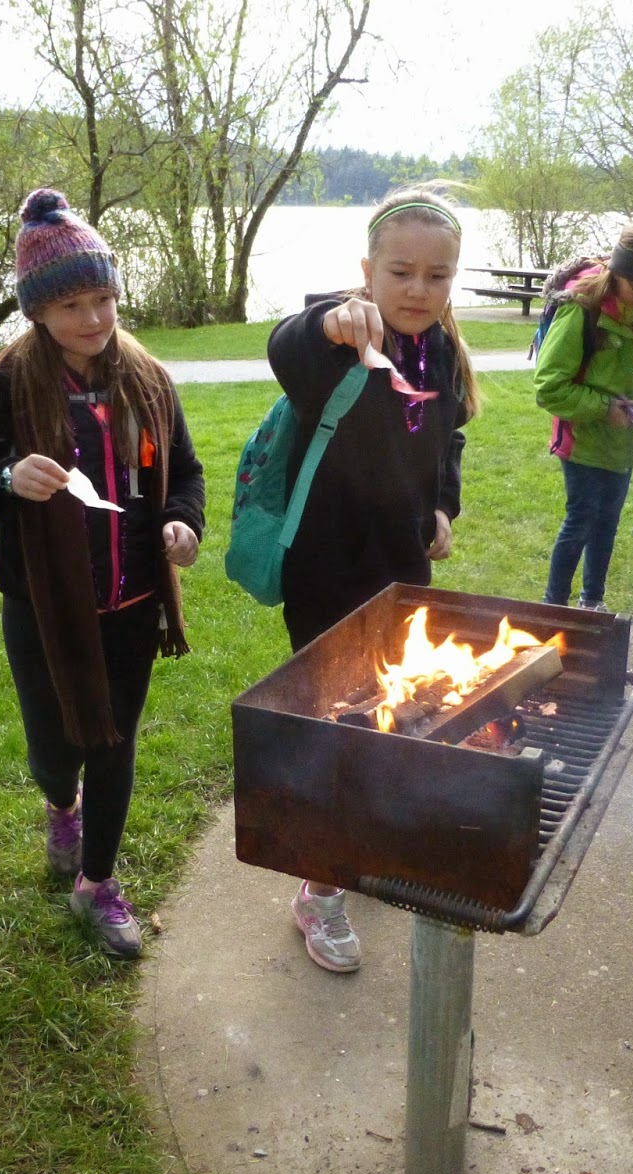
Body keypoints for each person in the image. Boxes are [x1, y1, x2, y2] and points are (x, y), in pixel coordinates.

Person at [0, 189, 205, 959]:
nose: (93, 319)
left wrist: (184, 523)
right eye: (72, 306)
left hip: (132, 603)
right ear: (37, 314)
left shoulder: (148, 379)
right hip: (44, 608)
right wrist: (4, 480)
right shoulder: (5, 387)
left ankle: (97, 881)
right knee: (57, 746)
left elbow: (184, 472)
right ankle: (61, 802)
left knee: (114, 740)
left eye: (104, 298)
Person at [266, 186, 479, 973]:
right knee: (336, 733)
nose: (418, 290)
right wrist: (329, 320)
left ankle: (368, 846)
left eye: (437, 276)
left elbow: (446, 444)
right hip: (327, 577)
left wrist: (443, 507)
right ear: (368, 270)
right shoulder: (338, 337)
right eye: (400, 273)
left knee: (396, 717)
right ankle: (318, 893)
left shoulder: (443, 351)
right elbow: (287, 346)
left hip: (403, 577)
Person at [536, 222, 633, 609]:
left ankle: (592, 603)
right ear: (617, 272)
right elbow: (550, 386)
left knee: (607, 526)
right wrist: (605, 409)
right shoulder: (580, 310)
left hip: (626, 445)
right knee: (580, 524)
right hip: (584, 442)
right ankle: (554, 605)